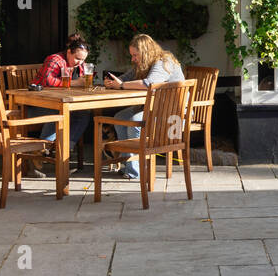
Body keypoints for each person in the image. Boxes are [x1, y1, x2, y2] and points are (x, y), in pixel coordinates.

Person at [103, 33, 184, 180]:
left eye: (135, 55)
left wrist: (121, 85)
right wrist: (114, 81)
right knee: (120, 118)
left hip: (172, 113)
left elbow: (149, 83)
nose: (133, 59)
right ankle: (128, 164)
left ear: (146, 52)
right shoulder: (144, 64)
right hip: (154, 106)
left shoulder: (163, 61)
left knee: (134, 122)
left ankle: (136, 170)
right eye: (132, 55)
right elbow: (126, 78)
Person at [23, 34, 92, 177]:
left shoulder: (79, 65)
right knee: (59, 111)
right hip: (35, 106)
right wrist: (74, 83)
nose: (80, 62)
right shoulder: (55, 59)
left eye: (83, 60)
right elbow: (48, 81)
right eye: (78, 58)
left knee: (83, 113)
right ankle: (39, 154)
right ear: (68, 52)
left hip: (59, 104)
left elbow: (82, 80)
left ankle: (64, 152)